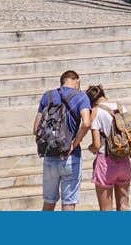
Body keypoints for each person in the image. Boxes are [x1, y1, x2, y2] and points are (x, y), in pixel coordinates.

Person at [34, 70, 92, 211]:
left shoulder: (47, 96)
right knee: (68, 203)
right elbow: (86, 123)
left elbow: (36, 128)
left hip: (49, 155)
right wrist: (75, 143)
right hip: (70, 157)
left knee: (48, 202)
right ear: (76, 80)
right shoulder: (81, 97)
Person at [86, 84, 131, 211]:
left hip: (106, 163)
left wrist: (90, 149)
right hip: (124, 161)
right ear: (103, 95)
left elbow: (96, 144)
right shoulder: (121, 107)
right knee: (124, 206)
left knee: (106, 210)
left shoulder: (95, 112)